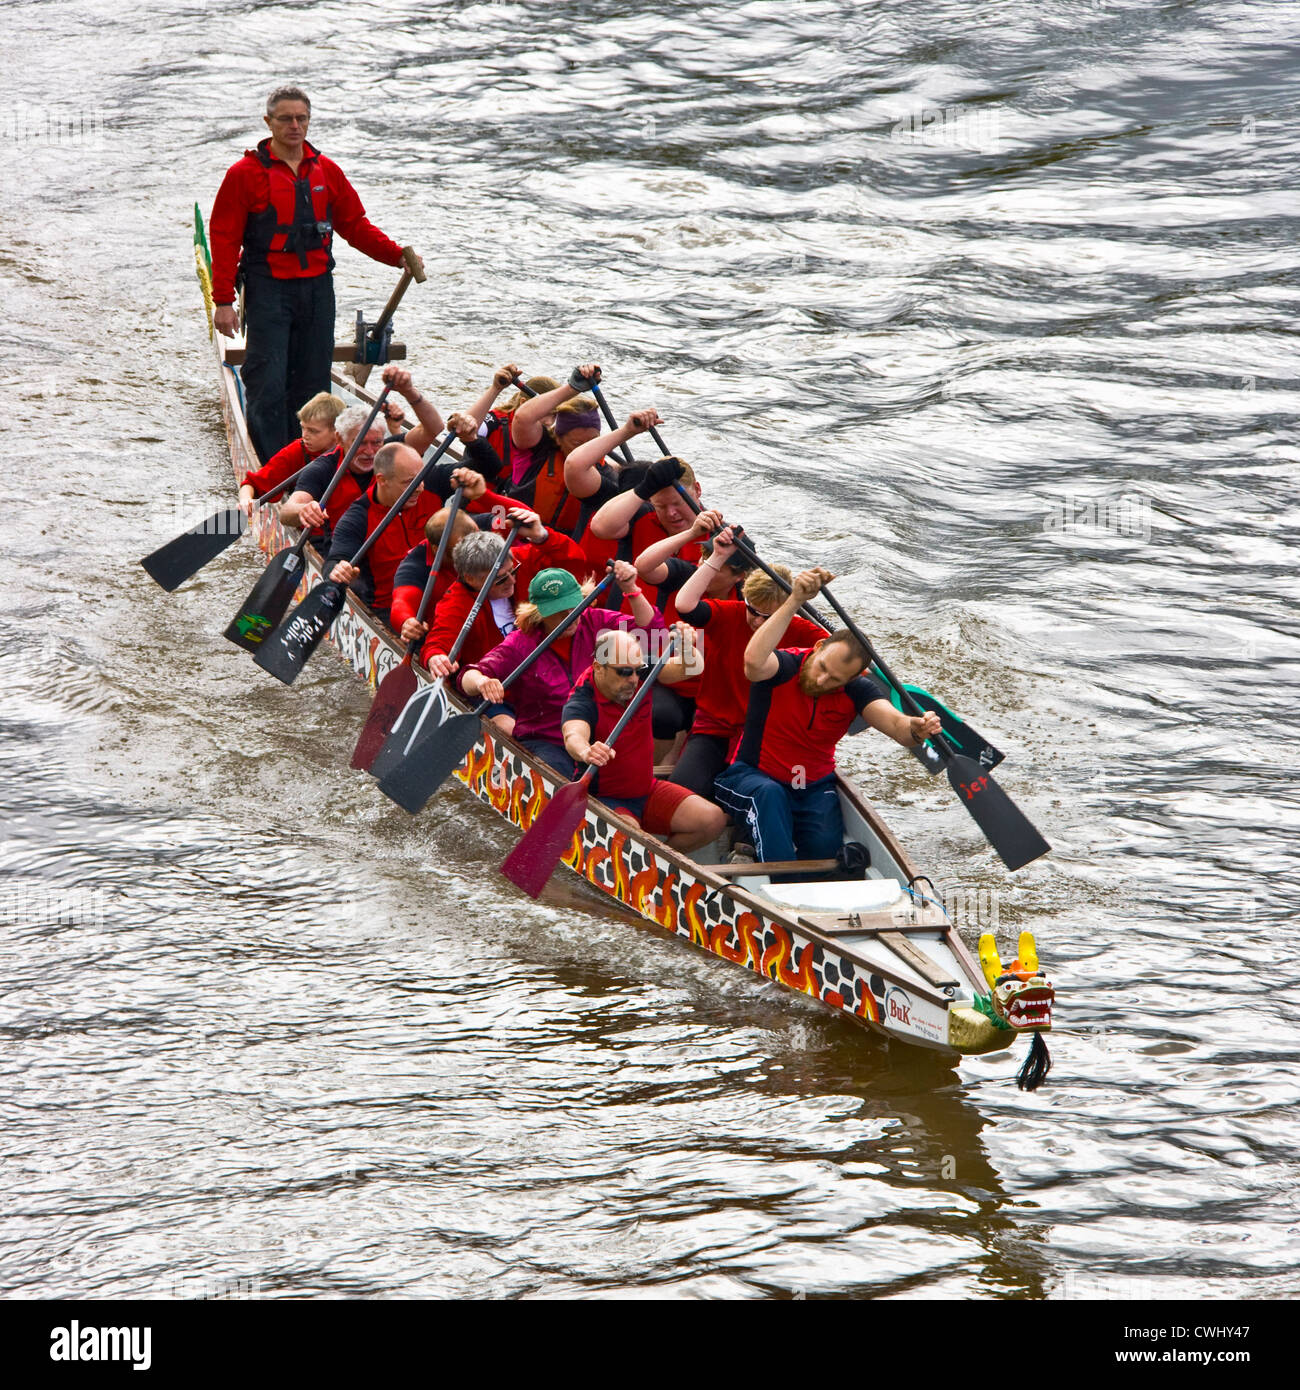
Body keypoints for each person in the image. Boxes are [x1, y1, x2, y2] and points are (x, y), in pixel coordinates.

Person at [209, 86, 422, 462]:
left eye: (301, 118)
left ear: (308, 121)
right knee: (268, 382)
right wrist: (223, 301)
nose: (295, 125)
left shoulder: (326, 171)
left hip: (317, 291)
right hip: (268, 290)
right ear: (268, 122)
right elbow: (224, 239)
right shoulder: (244, 174)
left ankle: (313, 460)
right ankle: (273, 466)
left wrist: (395, 256)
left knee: (311, 383)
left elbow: (355, 225)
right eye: (285, 119)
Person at [714, 567, 941, 865]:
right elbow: (753, 662)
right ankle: (776, 880)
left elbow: (898, 726)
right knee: (769, 796)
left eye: (835, 679)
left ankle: (797, 873)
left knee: (824, 850)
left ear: (855, 676)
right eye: (822, 668)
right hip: (752, 777)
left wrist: (918, 726)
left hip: (813, 787)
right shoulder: (785, 666)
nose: (822, 681)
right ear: (819, 647)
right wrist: (794, 599)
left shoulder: (857, 690)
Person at [459, 564, 659, 772]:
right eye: (558, 610)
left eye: (573, 605)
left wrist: (631, 589)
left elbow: (652, 633)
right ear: (539, 612)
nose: (570, 614)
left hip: (600, 736)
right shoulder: (520, 644)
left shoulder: (597, 621)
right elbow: (467, 677)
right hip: (548, 742)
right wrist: (482, 682)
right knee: (559, 769)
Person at [670, 531, 825, 799]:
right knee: (681, 793)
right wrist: (718, 556)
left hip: (769, 736)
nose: (758, 622)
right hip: (714, 726)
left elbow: (843, 657)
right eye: (753, 611)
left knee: (763, 796)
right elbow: (685, 605)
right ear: (745, 600)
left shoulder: (802, 629)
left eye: (769, 617)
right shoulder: (726, 614)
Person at [562, 628, 727, 851]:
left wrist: (688, 646)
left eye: (638, 671)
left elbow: (693, 668)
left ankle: (658, 868)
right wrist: (586, 752)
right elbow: (573, 734)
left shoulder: (639, 670)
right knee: (633, 841)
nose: (634, 679)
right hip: (605, 799)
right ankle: (647, 863)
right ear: (599, 668)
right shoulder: (583, 699)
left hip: (646, 790)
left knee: (713, 820)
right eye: (624, 672)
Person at [278, 366, 445, 550]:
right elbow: (286, 512)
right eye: (361, 443)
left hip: (386, 542)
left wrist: (409, 391)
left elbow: (434, 428)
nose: (370, 452)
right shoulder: (323, 468)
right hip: (340, 547)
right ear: (339, 439)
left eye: (376, 442)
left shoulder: (390, 453)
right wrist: (303, 510)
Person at [325, 448, 490, 624]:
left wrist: (472, 445)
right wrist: (338, 570)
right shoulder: (357, 518)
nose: (420, 487)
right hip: (390, 610)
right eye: (410, 482)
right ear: (382, 480)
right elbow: (334, 561)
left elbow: (489, 466)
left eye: (421, 478)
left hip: (448, 597)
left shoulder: (431, 481)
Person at [423, 513, 589, 679]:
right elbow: (440, 641)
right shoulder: (456, 602)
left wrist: (541, 536)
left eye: (512, 571)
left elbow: (575, 563)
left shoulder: (519, 559)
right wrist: (436, 657)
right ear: (470, 578)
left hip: (555, 665)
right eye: (500, 579)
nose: (512, 580)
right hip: (501, 685)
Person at [505, 363, 605, 523]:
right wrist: (573, 388)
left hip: (562, 545)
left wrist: (629, 431)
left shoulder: (603, 467)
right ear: (559, 438)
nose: (585, 449)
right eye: (577, 442)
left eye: (592, 442)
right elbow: (522, 418)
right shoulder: (537, 448)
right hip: (518, 534)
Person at [390, 506, 486, 647]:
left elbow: (508, 519)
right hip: (446, 640)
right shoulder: (415, 566)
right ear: (436, 549)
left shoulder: (473, 526)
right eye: (460, 552)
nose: (470, 558)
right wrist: (406, 622)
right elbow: (401, 602)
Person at [238, 390, 344, 513]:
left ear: (337, 432)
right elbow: (252, 484)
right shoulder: (298, 450)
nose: (305, 436)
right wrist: (246, 500)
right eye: (303, 428)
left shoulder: (355, 452)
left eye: (313, 431)